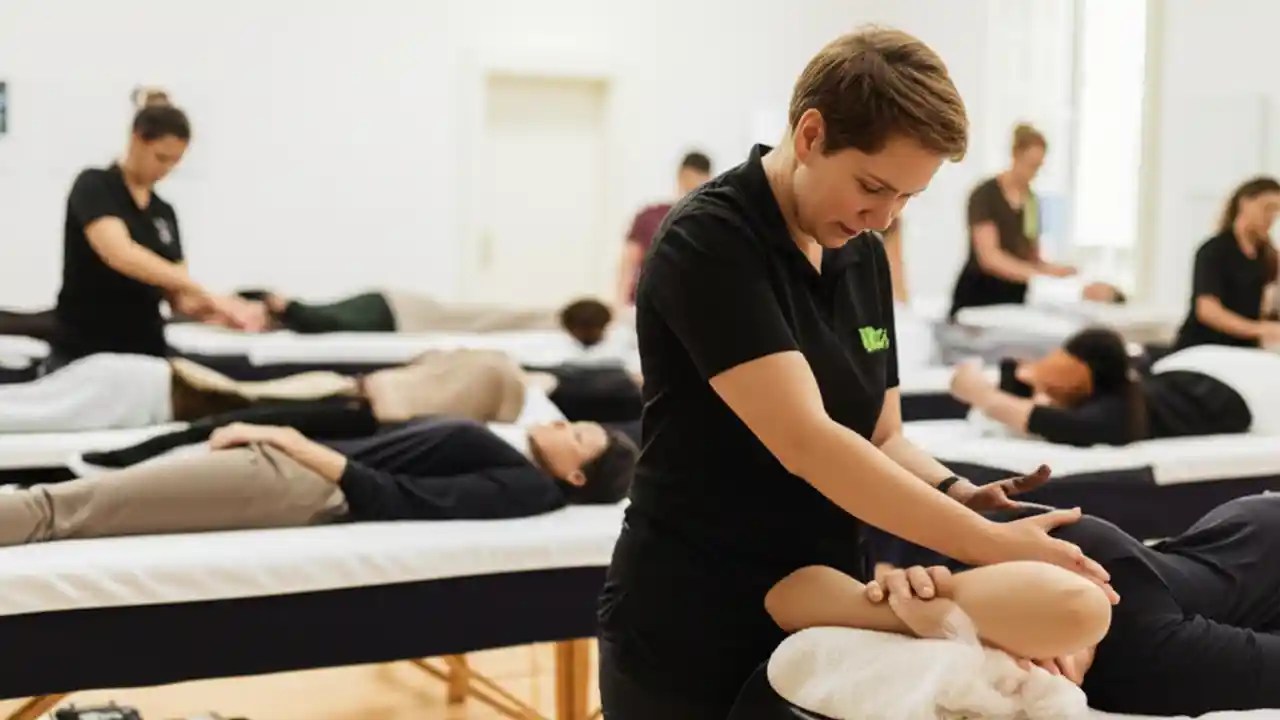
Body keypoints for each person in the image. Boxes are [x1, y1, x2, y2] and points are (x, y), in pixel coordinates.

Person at [596, 28, 1114, 718]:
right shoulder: (712, 241)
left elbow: (881, 435)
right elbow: (807, 441)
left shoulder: (859, 250)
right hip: (692, 608)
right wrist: (986, 547)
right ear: (810, 134)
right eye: (873, 187)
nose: (884, 216)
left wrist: (959, 493)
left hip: (827, 601)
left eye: (907, 198)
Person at [771, 493, 1280, 716]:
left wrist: (923, 607)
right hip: (1098, 569)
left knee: (1086, 615)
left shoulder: (1143, 651)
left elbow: (788, 595)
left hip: (1093, 562)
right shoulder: (1148, 652)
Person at [0, 414, 638, 547]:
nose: (569, 423)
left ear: (576, 475)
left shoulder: (528, 490)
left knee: (68, 510)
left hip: (299, 485)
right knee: (71, 504)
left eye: (580, 435)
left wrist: (290, 442)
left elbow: (395, 499)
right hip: (288, 469)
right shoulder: (517, 454)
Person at [50, 102, 262, 369]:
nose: (166, 169)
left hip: (144, 350)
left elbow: (179, 296)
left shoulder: (164, 212)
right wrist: (207, 294)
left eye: (175, 161)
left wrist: (222, 312)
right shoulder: (95, 185)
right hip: (86, 349)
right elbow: (120, 253)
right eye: (161, 157)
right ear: (137, 139)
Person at [948, 327, 1268, 447]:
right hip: (1178, 371)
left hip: (1225, 384)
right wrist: (1018, 377)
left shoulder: (1116, 414)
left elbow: (1054, 422)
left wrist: (979, 392)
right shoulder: (1118, 390)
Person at [948, 124, 1078, 319]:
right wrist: (1037, 275)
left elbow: (1032, 256)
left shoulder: (1032, 202)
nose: (1033, 173)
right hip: (980, 294)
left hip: (1014, 297)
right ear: (1015, 155)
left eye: (1038, 167)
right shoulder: (985, 195)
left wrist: (1056, 271)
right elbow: (989, 257)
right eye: (1031, 164)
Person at [238, 290, 615, 348]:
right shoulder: (544, 327)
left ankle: (261, 305)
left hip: (394, 309)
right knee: (315, 317)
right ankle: (258, 303)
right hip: (393, 311)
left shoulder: (544, 322)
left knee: (314, 317)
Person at [1174, 176, 1280, 350]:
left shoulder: (1267, 256)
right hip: (1205, 348)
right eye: (1267, 208)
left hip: (1244, 350)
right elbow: (1207, 310)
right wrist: (1259, 329)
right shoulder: (1213, 250)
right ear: (1244, 203)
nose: (1271, 217)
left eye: (1276, 212)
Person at [614, 151, 713, 308]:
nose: (694, 183)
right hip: (647, 304)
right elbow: (628, 263)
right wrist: (618, 304)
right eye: (691, 177)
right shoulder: (649, 216)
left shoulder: (711, 222)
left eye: (700, 178)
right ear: (681, 176)